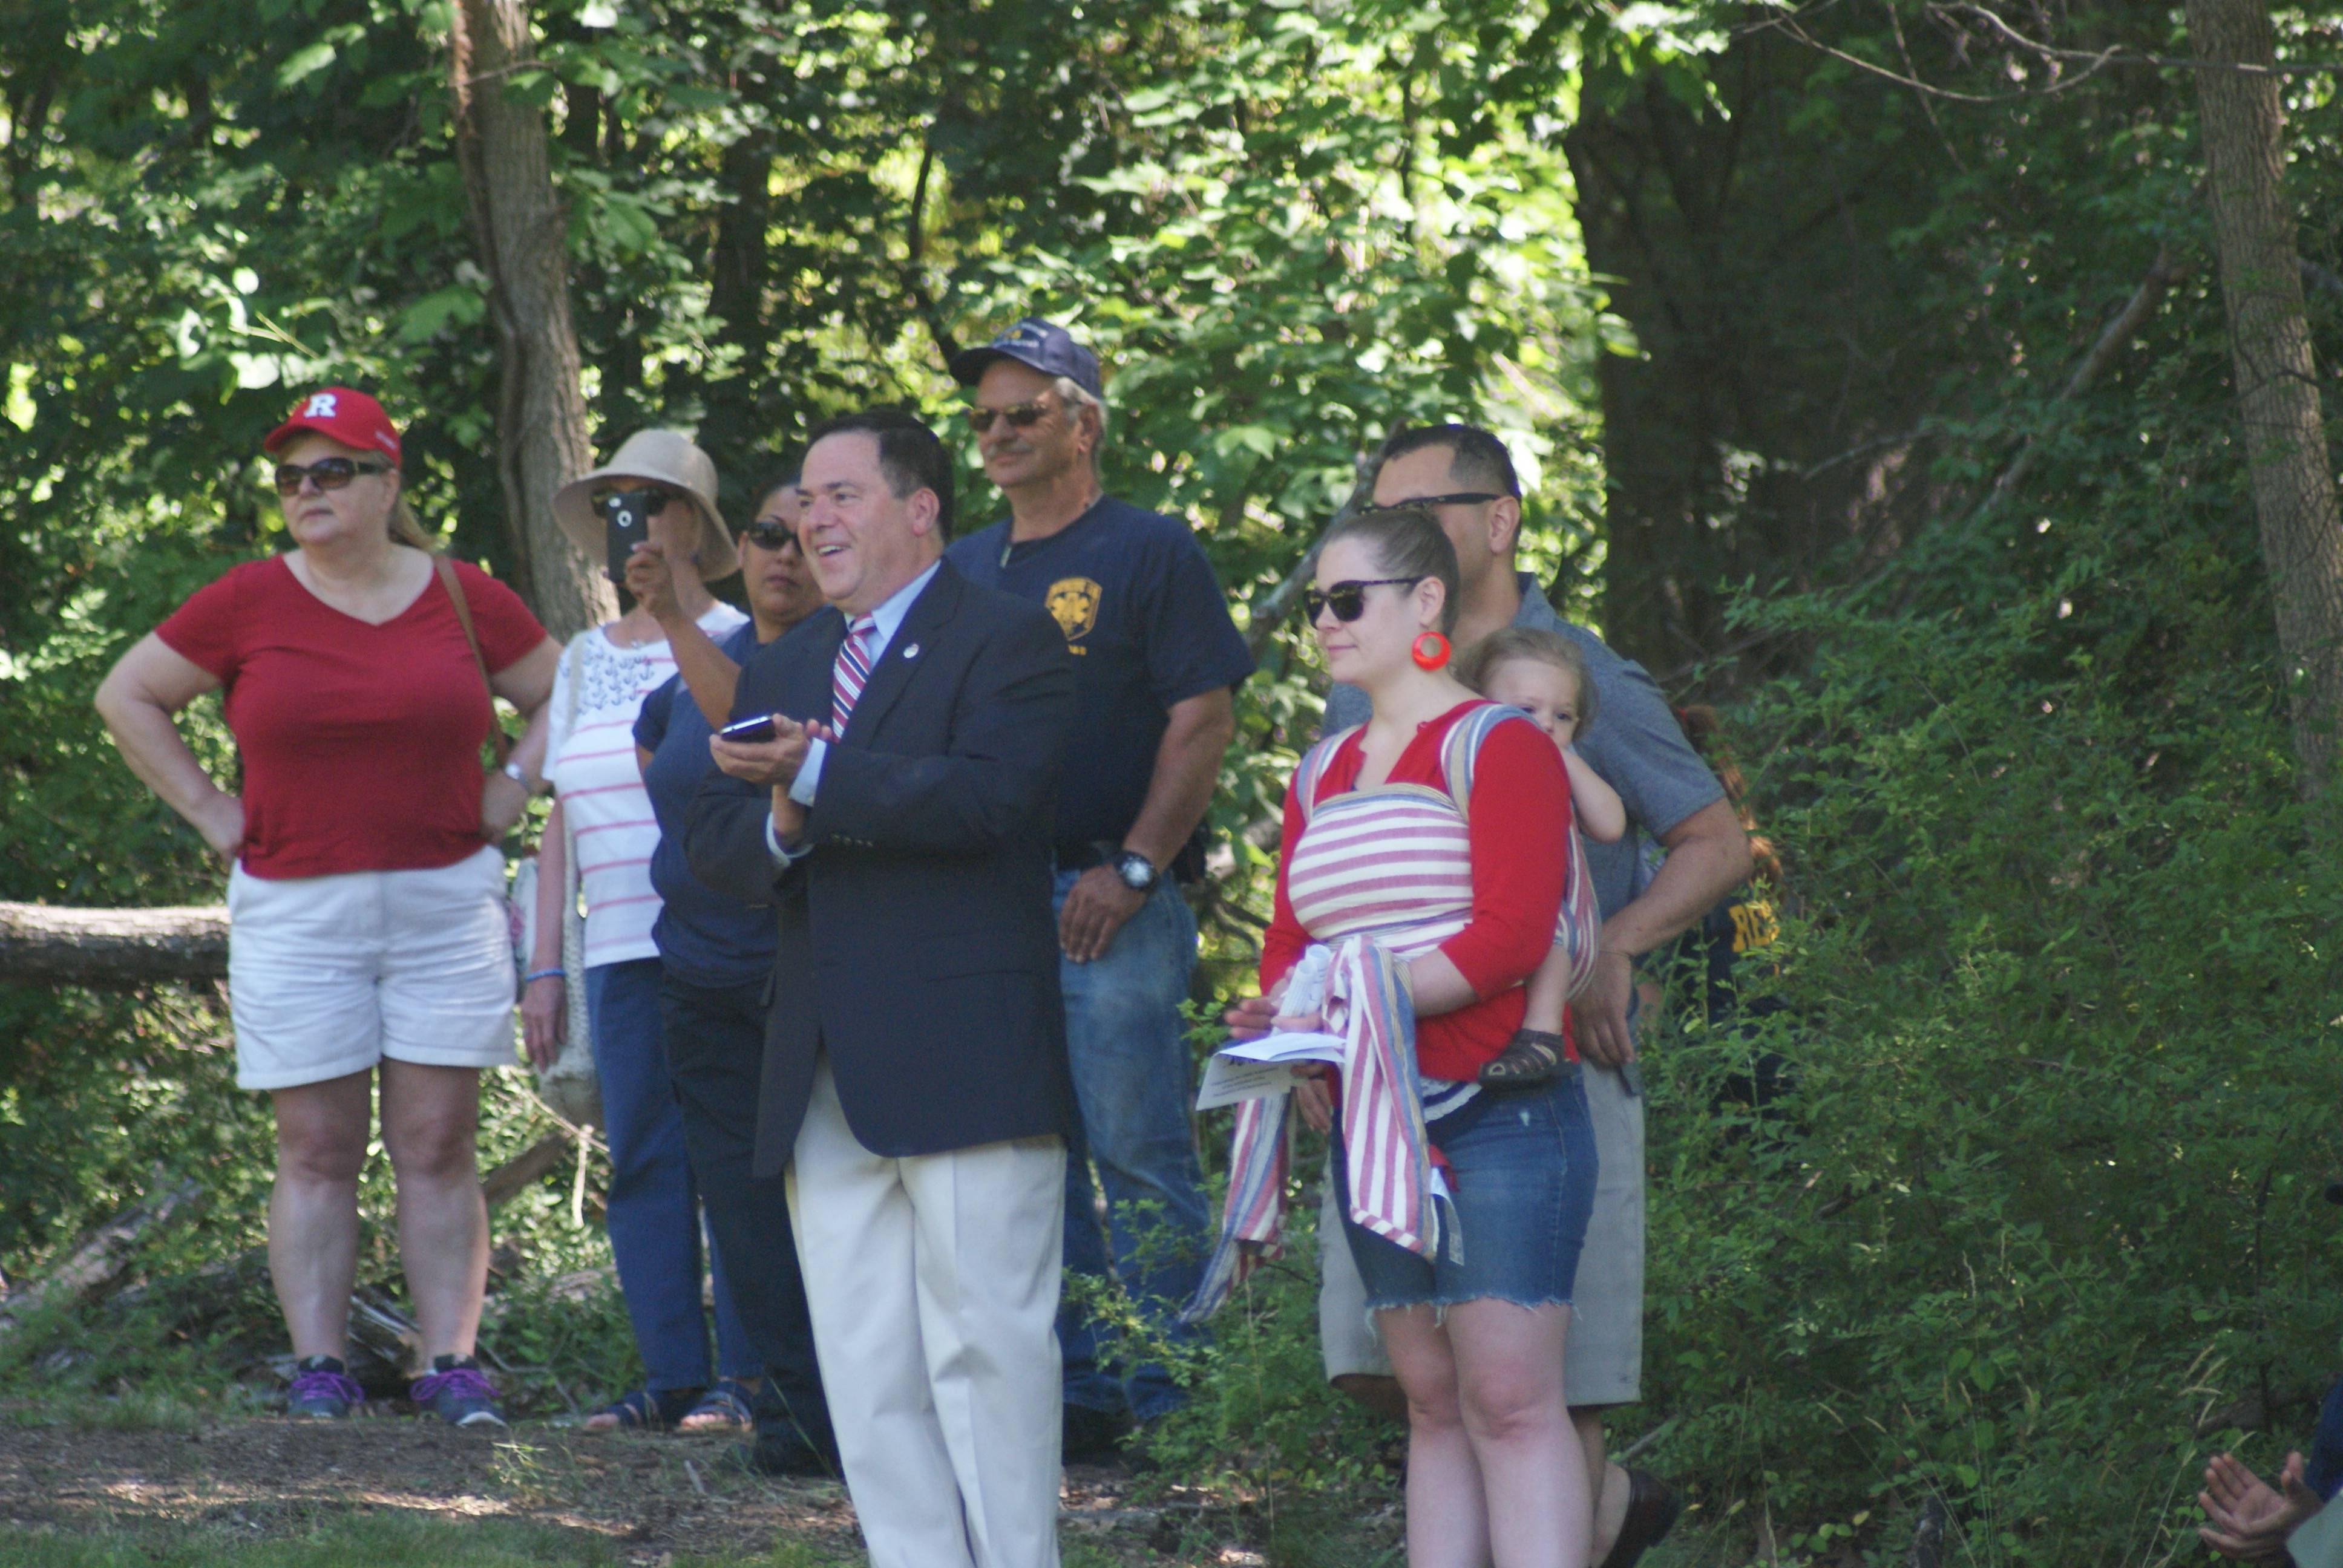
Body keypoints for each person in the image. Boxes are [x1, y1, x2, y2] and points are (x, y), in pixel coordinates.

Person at [1318, 425, 1753, 1568]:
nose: (1397, 536)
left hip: (1546, 1064)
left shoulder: (1575, 670)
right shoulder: (1365, 669)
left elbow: (1713, 841)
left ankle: (1585, 1516)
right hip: (1389, 1069)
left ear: (1500, 520)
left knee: (1555, 1389)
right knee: (1391, 1370)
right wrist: (1319, 1044)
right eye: (1382, 514)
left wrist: (1612, 948)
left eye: (1423, 511)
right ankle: (1598, 1522)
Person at [94, 387, 559, 1426]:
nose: (308, 490)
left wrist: (514, 784)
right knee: (315, 1145)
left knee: (438, 1140)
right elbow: (126, 694)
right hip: (297, 907)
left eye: (333, 470)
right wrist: (213, 811)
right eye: (292, 475)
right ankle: (319, 1365)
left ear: (388, 485)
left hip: (444, 899)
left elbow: (559, 688)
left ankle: (450, 1363)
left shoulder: (460, 594)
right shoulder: (247, 599)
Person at [685, 410, 1078, 1568]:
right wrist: (782, 820)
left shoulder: (1007, 639)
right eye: (806, 500)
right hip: (820, 1063)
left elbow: (985, 803)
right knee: (863, 1360)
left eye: (841, 494)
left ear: (921, 511)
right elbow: (713, 840)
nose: (812, 519)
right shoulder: (787, 657)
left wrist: (813, 768)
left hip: (967, 1054)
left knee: (988, 1351)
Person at [1215, 505, 1598, 1567]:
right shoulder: (1319, 769)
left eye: (1348, 599)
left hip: (1503, 1114)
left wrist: (1350, 1007)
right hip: (1373, 1119)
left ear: (1426, 601)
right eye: (1314, 606)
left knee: (1512, 1401)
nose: (1325, 623)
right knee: (1430, 1402)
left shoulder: (1499, 742)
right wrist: (1286, 1019)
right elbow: (1292, 941)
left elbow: (1512, 938)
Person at [943, 316, 1252, 1453]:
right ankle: (1079, 1393)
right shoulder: (965, 565)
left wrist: (1130, 868)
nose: (996, 435)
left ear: (1084, 421)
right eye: (981, 418)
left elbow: (1204, 714)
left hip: (1109, 902)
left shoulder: (1147, 548)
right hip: (987, 907)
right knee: (1029, 1154)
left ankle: (1172, 1391)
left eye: (1022, 413)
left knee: (1137, 1148)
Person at [525, 428, 757, 1432]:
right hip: (615, 948)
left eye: (653, 504)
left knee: (739, 1159)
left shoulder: (747, 639)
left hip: (722, 938)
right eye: (618, 507)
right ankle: (668, 1377)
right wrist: (544, 967)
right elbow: (559, 818)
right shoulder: (580, 655)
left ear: (696, 528)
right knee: (646, 1161)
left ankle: (751, 1378)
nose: (636, 528)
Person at [625, 469, 837, 1472]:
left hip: (805, 968)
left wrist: (670, 617)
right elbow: (665, 767)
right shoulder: (680, 680)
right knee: (742, 1205)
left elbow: (752, 728)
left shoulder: (848, 655)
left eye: (806, 535)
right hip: (698, 969)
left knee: (833, 1196)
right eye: (766, 532)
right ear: (739, 548)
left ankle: (859, 1411)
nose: (784, 553)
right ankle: (793, 1420)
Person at [1457, 627, 1627, 1085]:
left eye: (1563, 715)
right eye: (1525, 711)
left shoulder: (1559, 757)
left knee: (1547, 928)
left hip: (1559, 914)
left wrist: (1563, 758)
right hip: (1483, 906)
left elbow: (1611, 825)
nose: (1547, 724)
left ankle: (1543, 1033)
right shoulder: (1464, 756)